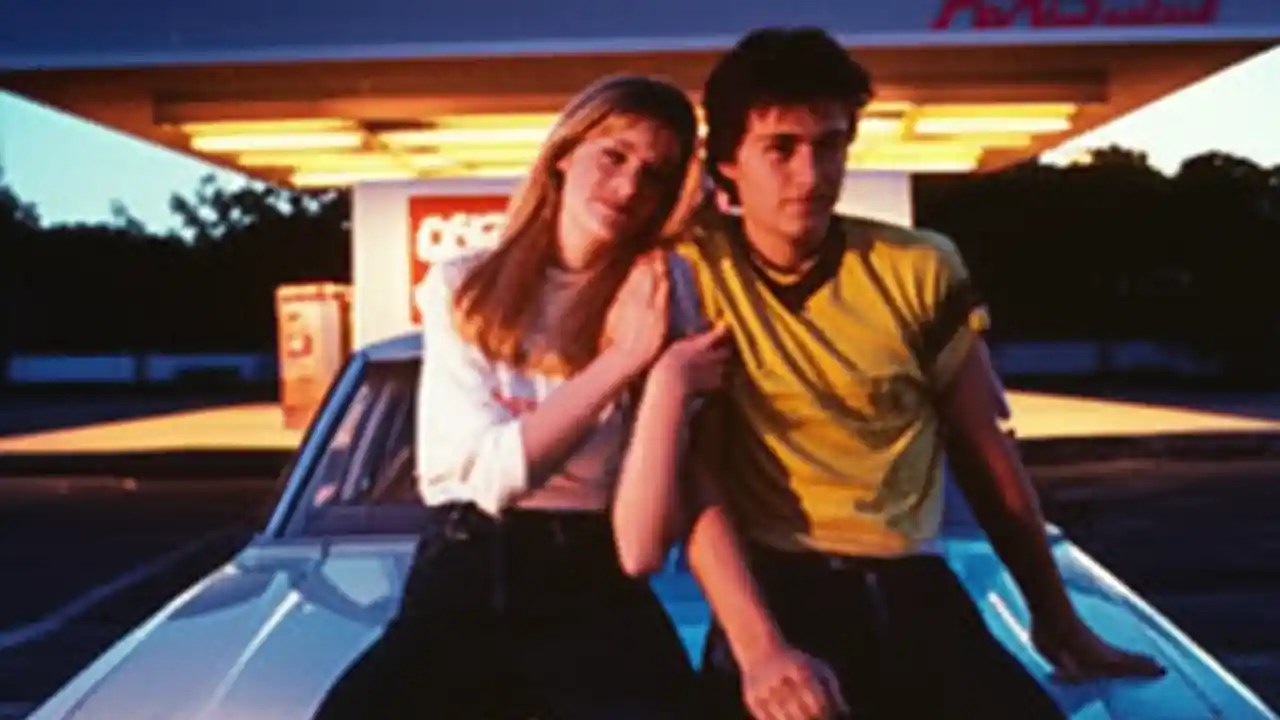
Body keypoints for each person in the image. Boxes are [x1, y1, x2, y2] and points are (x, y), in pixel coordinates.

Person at [626, 27, 1168, 720]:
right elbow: (696, 471)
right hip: (775, 587)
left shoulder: (919, 265)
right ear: (726, 162)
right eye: (780, 149)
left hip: (914, 583)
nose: (811, 174)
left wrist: (1055, 616)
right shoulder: (691, 273)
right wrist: (760, 649)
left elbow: (984, 450)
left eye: (830, 145)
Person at [312, 74, 731, 720]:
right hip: (469, 565)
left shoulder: (668, 295)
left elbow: (641, 547)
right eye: (612, 157)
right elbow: (484, 477)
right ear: (564, 154)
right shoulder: (463, 285)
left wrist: (668, 375)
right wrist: (620, 363)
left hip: (594, 577)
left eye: (654, 175)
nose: (627, 188)